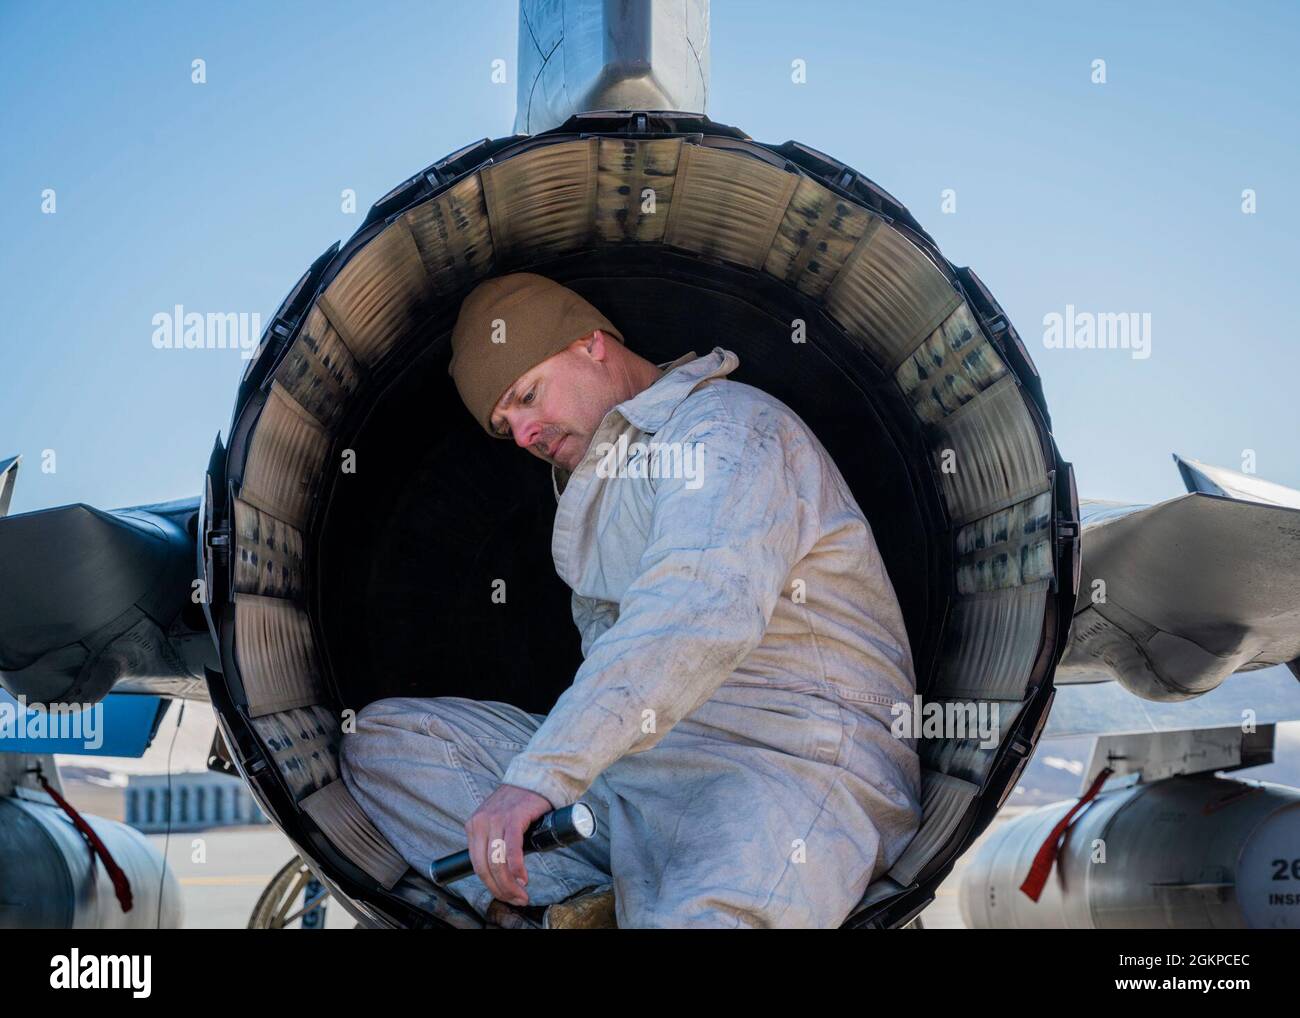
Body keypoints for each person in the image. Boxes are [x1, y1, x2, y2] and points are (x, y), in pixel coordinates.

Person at [340, 271, 922, 928]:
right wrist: (549, 779)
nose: (525, 433)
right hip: (641, 778)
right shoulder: (599, 488)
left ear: (592, 344)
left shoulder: (728, 431)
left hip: (787, 766)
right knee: (387, 744)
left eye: (527, 396)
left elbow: (696, 610)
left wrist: (541, 777)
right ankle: (575, 906)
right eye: (507, 427)